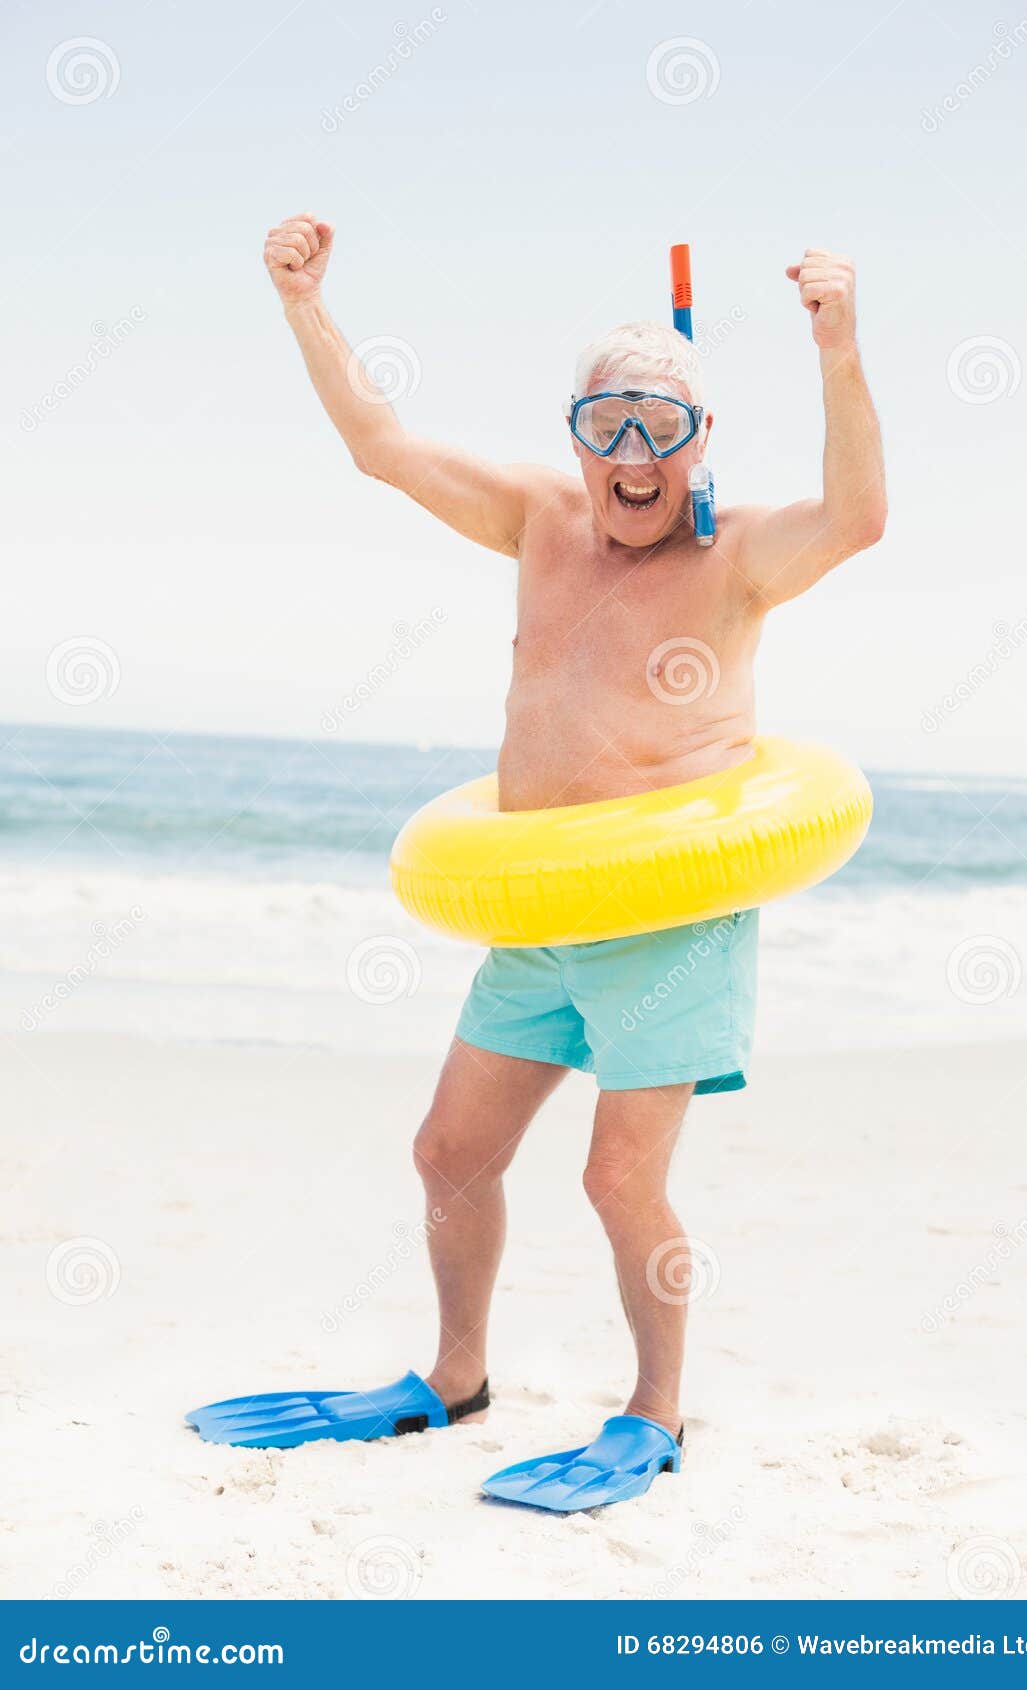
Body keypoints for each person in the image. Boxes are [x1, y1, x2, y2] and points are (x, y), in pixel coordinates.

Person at [188, 215, 885, 1510]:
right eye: (609, 424)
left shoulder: (732, 556)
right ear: (575, 433)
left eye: (662, 429)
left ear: (702, 445)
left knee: (619, 1175)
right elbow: (381, 447)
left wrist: (838, 347)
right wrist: (305, 306)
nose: (633, 456)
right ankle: (456, 1376)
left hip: (671, 918)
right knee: (449, 1151)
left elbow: (859, 514)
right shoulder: (540, 516)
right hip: (540, 910)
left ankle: (656, 1410)